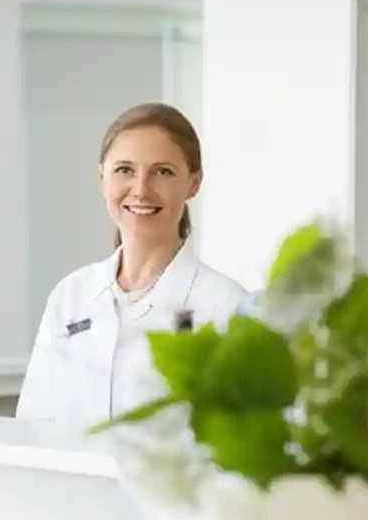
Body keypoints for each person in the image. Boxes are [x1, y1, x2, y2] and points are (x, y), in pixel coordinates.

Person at [16, 102, 248, 430]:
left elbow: (237, 445)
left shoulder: (225, 307)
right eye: (125, 170)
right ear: (102, 179)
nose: (141, 189)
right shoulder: (70, 296)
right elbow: (31, 426)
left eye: (162, 172)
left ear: (193, 183)